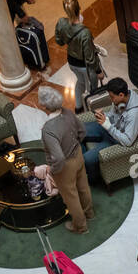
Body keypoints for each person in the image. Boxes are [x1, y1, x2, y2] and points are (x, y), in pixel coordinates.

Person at [34, 84, 96, 232]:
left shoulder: (48, 130)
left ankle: (80, 227)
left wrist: (52, 170)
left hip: (65, 166)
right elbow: (83, 131)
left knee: (70, 196)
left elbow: (59, 158)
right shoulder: (68, 112)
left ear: (44, 106)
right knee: (83, 187)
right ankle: (89, 213)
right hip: (78, 155)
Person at [54, 0, 105, 110]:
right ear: (79, 8)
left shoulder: (61, 22)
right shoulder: (85, 32)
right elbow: (90, 58)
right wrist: (98, 71)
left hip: (72, 62)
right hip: (84, 66)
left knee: (80, 82)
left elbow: (59, 41)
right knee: (92, 89)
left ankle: (78, 108)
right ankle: (91, 112)